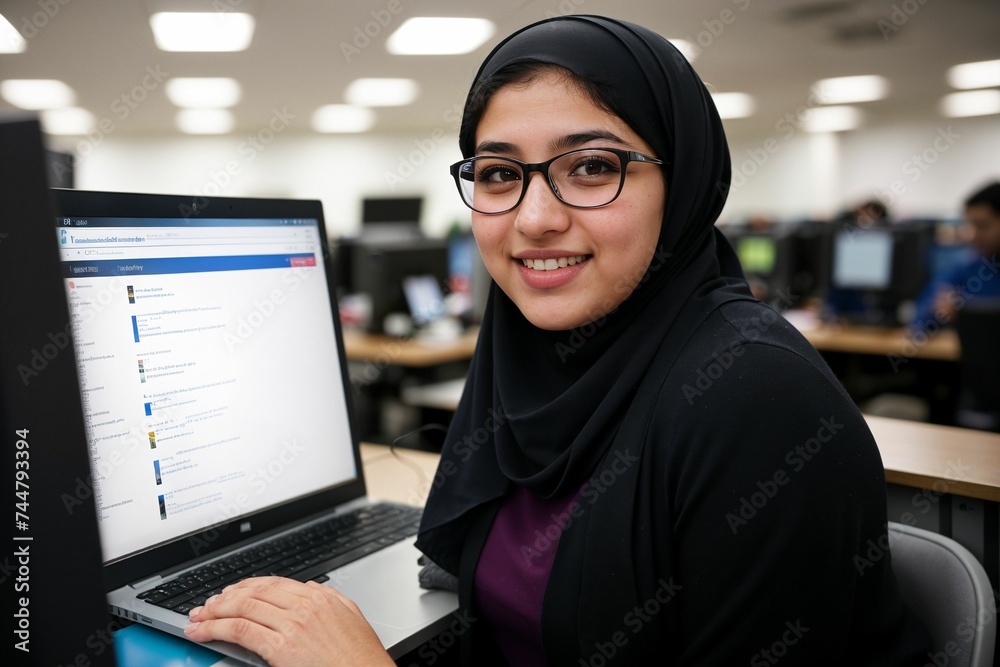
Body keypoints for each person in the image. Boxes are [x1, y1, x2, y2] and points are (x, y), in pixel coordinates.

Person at [184, 15, 929, 666]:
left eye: (593, 167)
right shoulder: (524, 358)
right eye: (499, 173)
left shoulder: (757, 398)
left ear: (683, 182)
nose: (535, 218)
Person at [911, 181, 1000, 331]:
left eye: (982, 226)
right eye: (970, 226)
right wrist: (938, 311)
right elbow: (918, 322)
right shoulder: (965, 269)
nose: (973, 236)